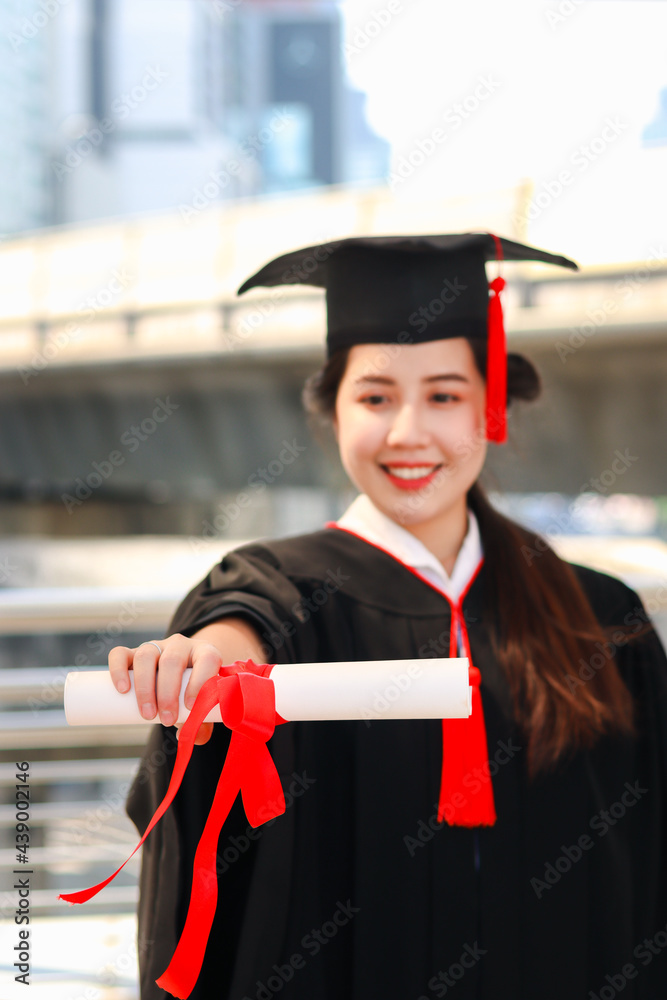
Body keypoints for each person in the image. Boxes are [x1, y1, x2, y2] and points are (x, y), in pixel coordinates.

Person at [109, 234, 667, 1000]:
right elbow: (242, 623)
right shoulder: (284, 588)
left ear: (489, 406)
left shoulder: (599, 616)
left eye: (444, 395)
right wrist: (214, 657)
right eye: (374, 398)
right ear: (331, 412)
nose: (408, 432)